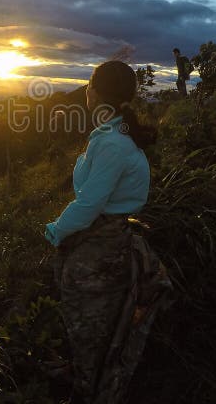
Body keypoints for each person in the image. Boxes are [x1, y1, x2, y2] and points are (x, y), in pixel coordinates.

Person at [45, 61, 172, 404]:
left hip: (103, 238)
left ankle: (90, 387)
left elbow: (89, 204)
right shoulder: (112, 135)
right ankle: (84, 373)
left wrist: (55, 230)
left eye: (88, 84)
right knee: (91, 317)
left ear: (97, 93)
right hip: (107, 232)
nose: (86, 90)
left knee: (89, 321)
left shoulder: (112, 143)